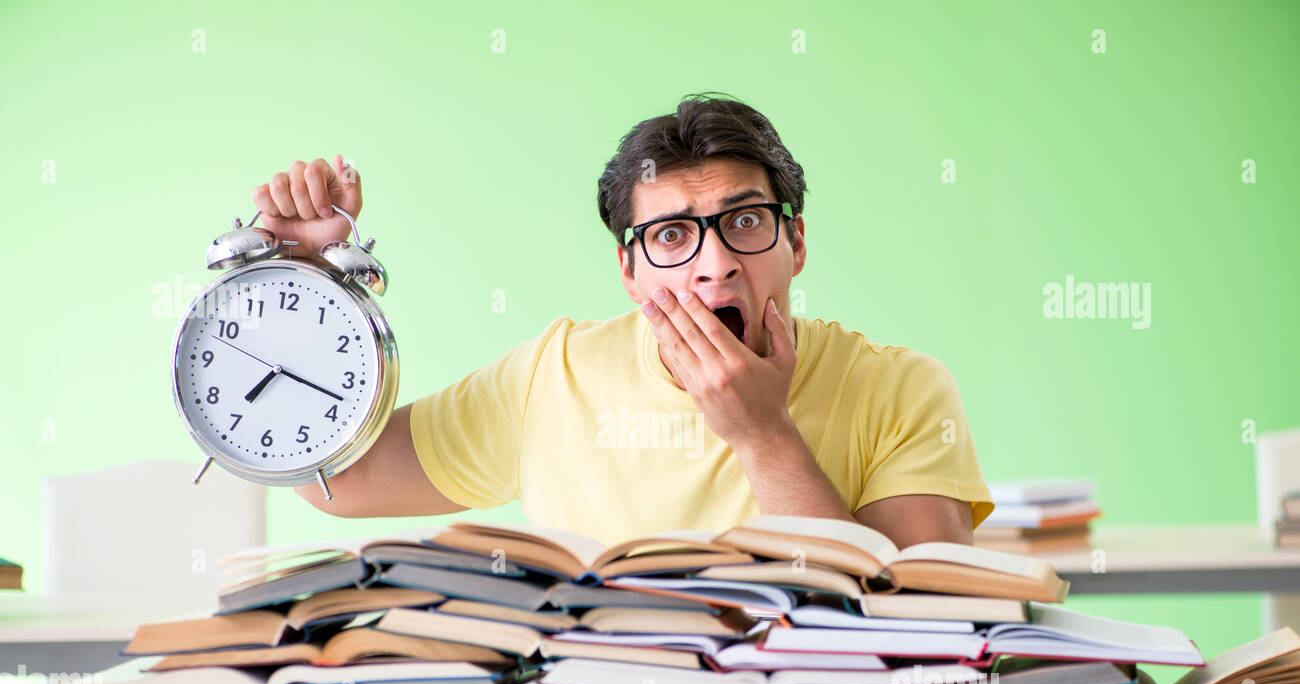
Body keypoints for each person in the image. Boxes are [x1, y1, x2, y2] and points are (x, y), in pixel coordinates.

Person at [252, 93, 993, 549]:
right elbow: (331, 481)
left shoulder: (903, 388)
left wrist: (764, 435)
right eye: (672, 235)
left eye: (745, 220)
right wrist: (304, 287)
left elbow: (924, 641)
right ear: (629, 272)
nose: (715, 266)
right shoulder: (553, 377)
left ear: (795, 242)